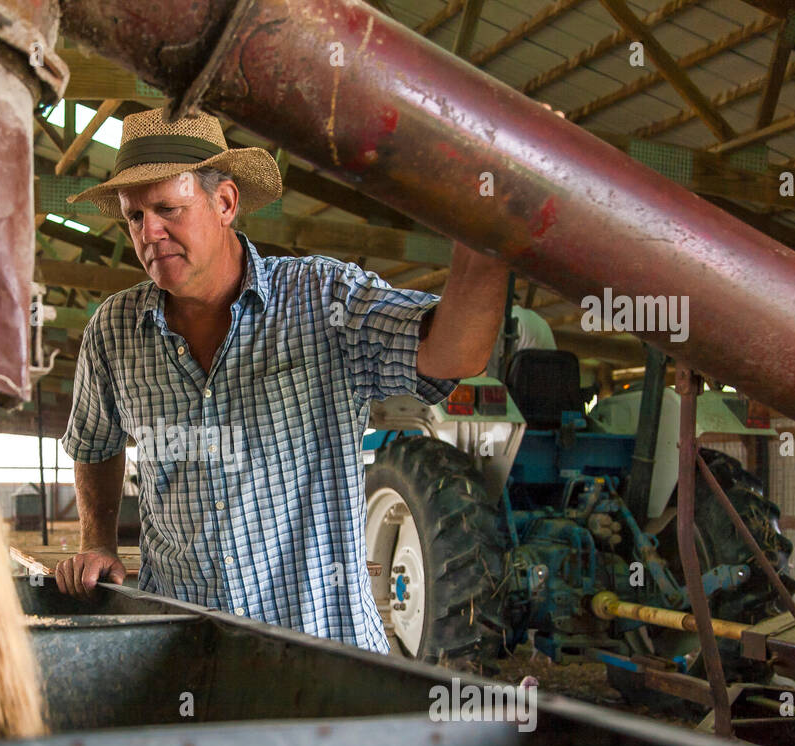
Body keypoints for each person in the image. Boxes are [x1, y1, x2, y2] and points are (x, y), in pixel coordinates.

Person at [54, 108, 507, 654]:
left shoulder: (323, 299)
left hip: (323, 649)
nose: (149, 232)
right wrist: (98, 541)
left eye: (168, 209)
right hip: (182, 646)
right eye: (135, 216)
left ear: (224, 202)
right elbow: (94, 444)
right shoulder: (114, 330)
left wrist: (485, 245)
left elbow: (453, 353)